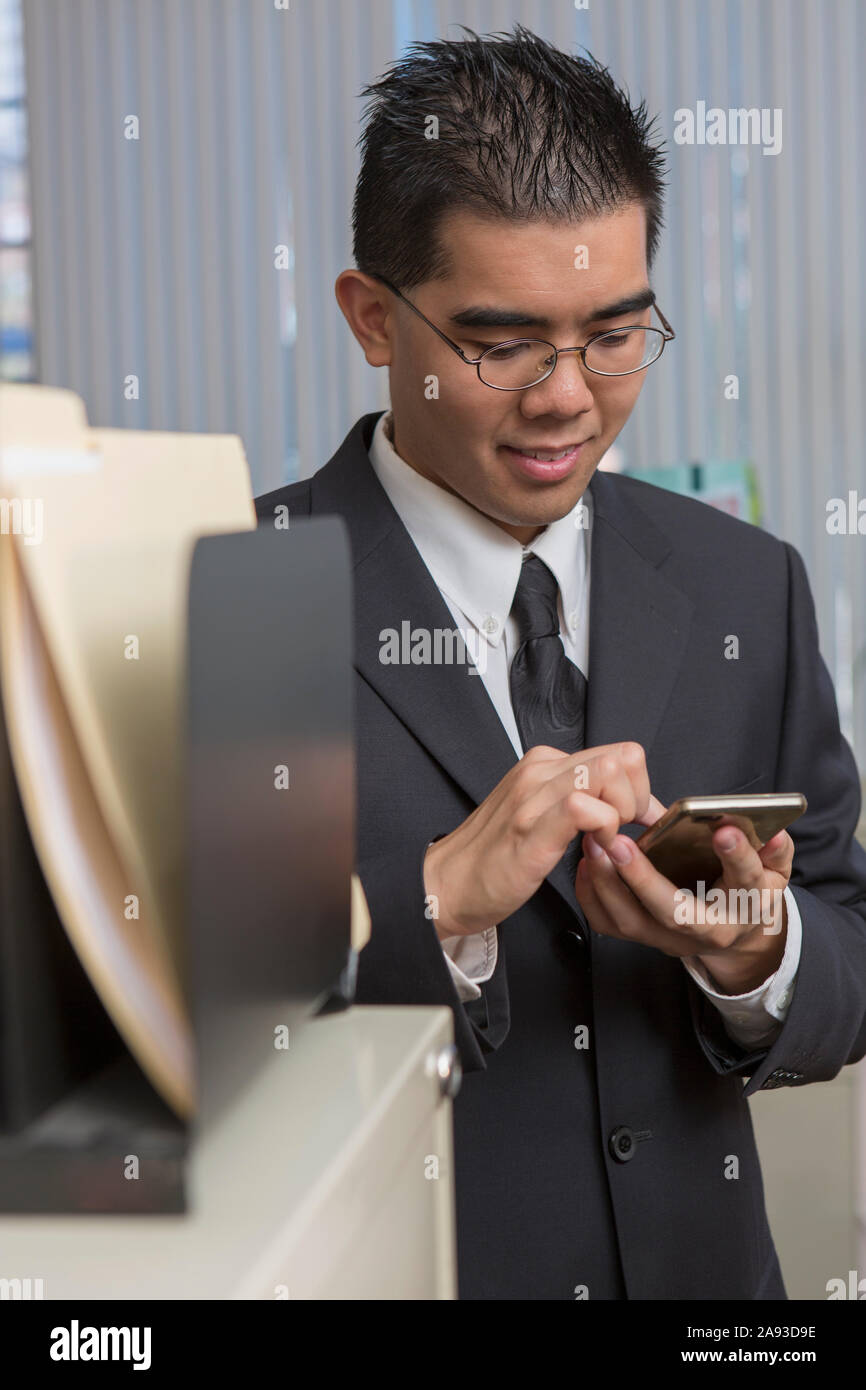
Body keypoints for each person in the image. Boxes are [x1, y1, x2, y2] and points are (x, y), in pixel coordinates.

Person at [255, 26, 866, 1300]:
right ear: (373, 318)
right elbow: (155, 1051)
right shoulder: (226, 599)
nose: (567, 399)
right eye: (503, 343)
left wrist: (756, 953)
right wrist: (427, 906)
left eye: (614, 333)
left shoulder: (743, 583)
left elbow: (848, 944)